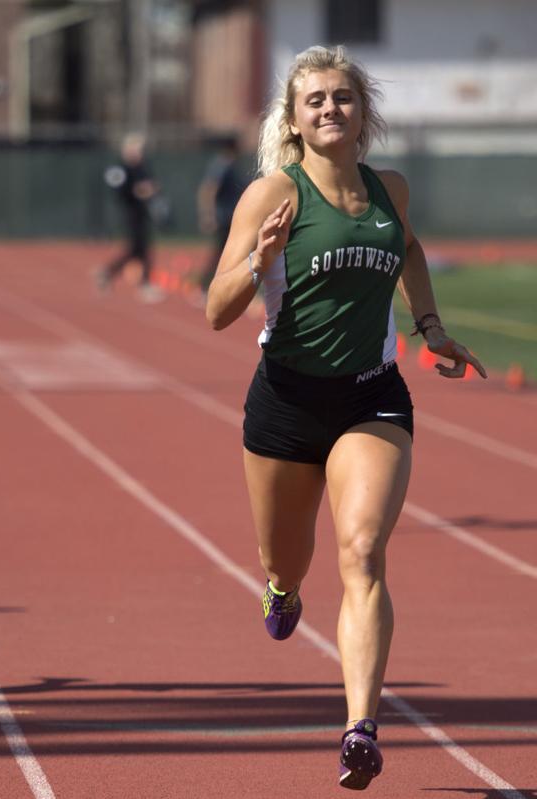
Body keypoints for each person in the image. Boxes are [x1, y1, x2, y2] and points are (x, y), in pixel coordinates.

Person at [204, 46, 485, 791]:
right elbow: (215, 311)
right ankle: (281, 588)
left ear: (363, 111)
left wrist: (430, 327)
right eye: (316, 100)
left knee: (362, 551)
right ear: (294, 121)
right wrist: (256, 258)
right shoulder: (273, 195)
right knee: (287, 560)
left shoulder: (391, 189)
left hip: (371, 395)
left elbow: (410, 249)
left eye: (343, 97)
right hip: (286, 403)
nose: (331, 108)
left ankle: (360, 727)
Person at [95, 132, 163, 301]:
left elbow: (152, 185)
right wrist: (139, 191)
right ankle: (142, 283)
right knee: (138, 249)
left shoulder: (143, 167)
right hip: (131, 214)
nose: (139, 153)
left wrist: (150, 189)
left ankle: (108, 273)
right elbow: (121, 190)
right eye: (136, 149)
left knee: (140, 250)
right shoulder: (122, 169)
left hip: (142, 213)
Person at [195, 134, 248, 296]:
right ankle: (206, 286)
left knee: (228, 253)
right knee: (224, 254)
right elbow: (208, 190)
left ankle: (210, 286)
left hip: (231, 218)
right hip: (223, 218)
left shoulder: (230, 165)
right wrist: (208, 215)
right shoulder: (222, 165)